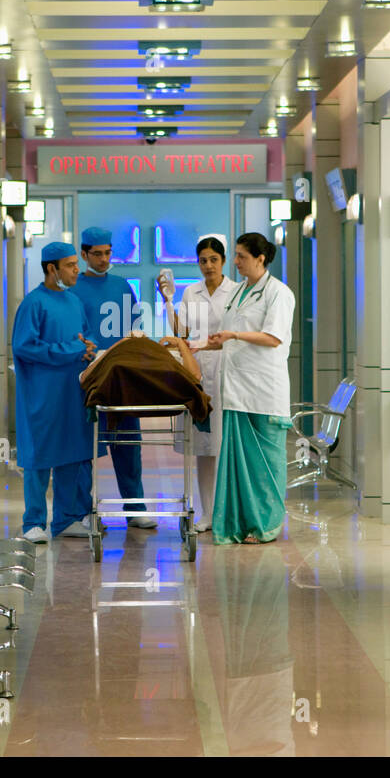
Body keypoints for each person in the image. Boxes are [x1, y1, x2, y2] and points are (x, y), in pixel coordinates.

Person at [198, 233, 295, 544]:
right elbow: (228, 338)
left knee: (264, 463)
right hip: (236, 390)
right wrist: (198, 345)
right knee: (240, 466)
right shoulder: (240, 291)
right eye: (237, 255)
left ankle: (266, 525)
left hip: (264, 391)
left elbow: (273, 337)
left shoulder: (278, 293)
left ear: (260, 259)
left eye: (241, 256)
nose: (236, 262)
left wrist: (234, 336)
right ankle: (240, 522)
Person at [69, 225, 158, 529]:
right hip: (89, 376)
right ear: (84, 255)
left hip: (121, 377)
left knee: (129, 444)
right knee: (84, 448)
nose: (104, 259)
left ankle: (135, 508)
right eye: (97, 254)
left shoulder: (122, 287)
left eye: (108, 253)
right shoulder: (74, 290)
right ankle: (82, 512)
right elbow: (74, 333)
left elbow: (134, 328)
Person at [11, 241, 98, 542]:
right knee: (39, 455)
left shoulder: (74, 302)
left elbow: (85, 336)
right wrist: (73, 349)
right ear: (52, 268)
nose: (77, 270)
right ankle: (33, 522)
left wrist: (89, 347)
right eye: (71, 265)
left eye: (76, 264)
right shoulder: (33, 304)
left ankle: (67, 518)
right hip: (42, 393)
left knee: (72, 453)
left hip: (72, 392)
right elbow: (24, 346)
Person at [158, 235, 236, 532]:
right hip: (200, 371)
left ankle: (228, 514)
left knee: (227, 445)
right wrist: (168, 300)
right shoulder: (192, 292)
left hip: (228, 371)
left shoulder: (236, 291)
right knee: (204, 447)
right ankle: (207, 514)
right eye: (203, 261)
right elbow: (182, 332)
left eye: (214, 260)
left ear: (224, 261)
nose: (208, 266)